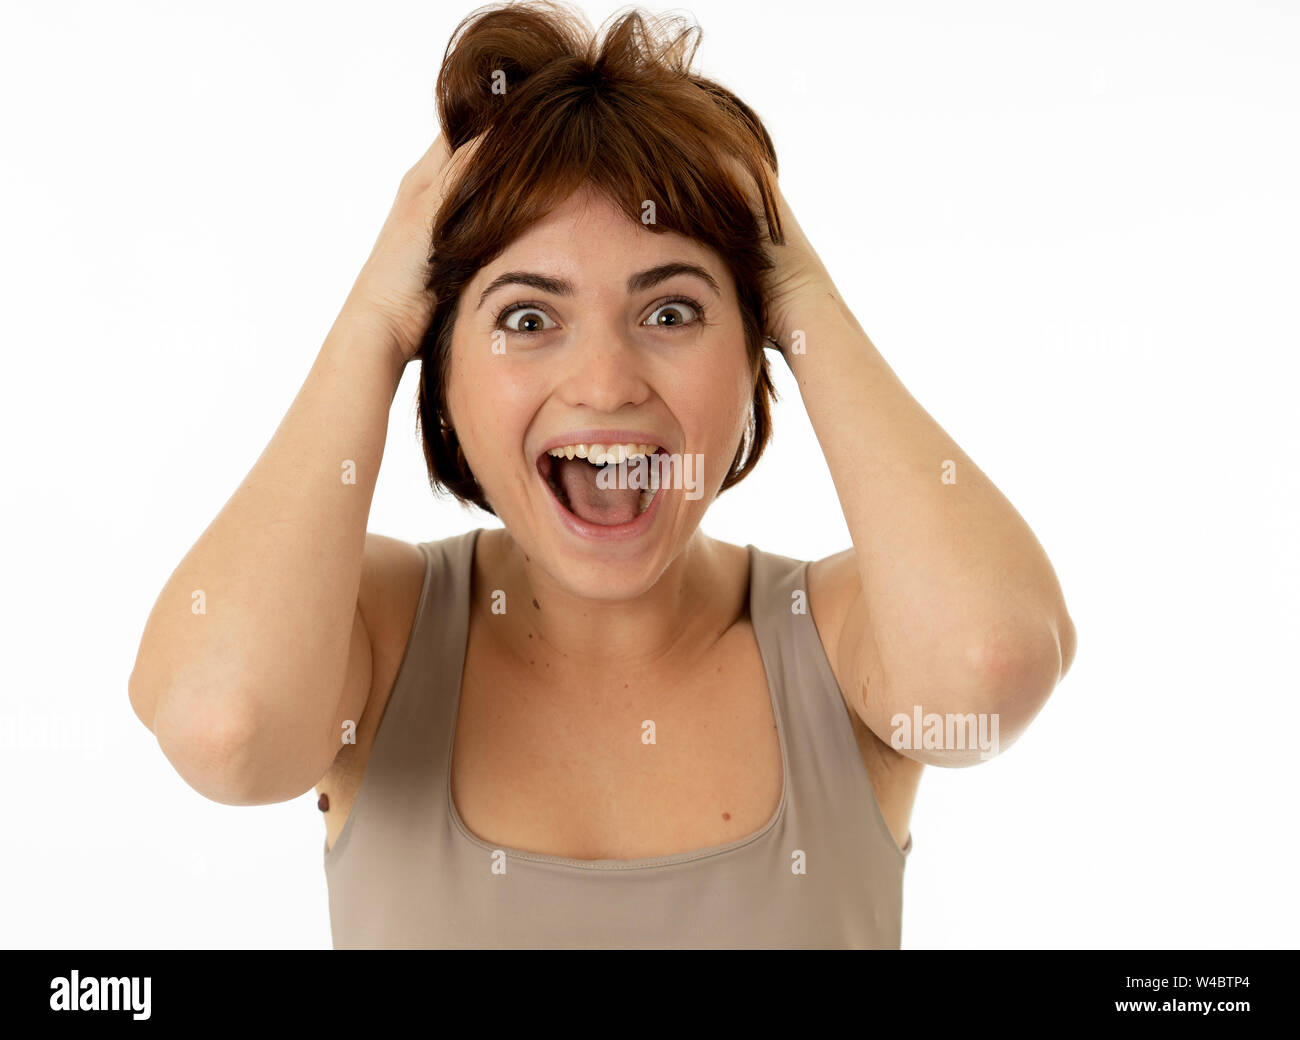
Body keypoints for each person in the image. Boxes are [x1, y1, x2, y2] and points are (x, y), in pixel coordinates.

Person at [128, 0, 1076, 949]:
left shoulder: (832, 646)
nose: (607, 383)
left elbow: (989, 666)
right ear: (441, 375)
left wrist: (801, 295)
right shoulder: (376, 632)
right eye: (529, 319)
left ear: (754, 358)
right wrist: (374, 321)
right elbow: (225, 727)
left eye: (671, 312)